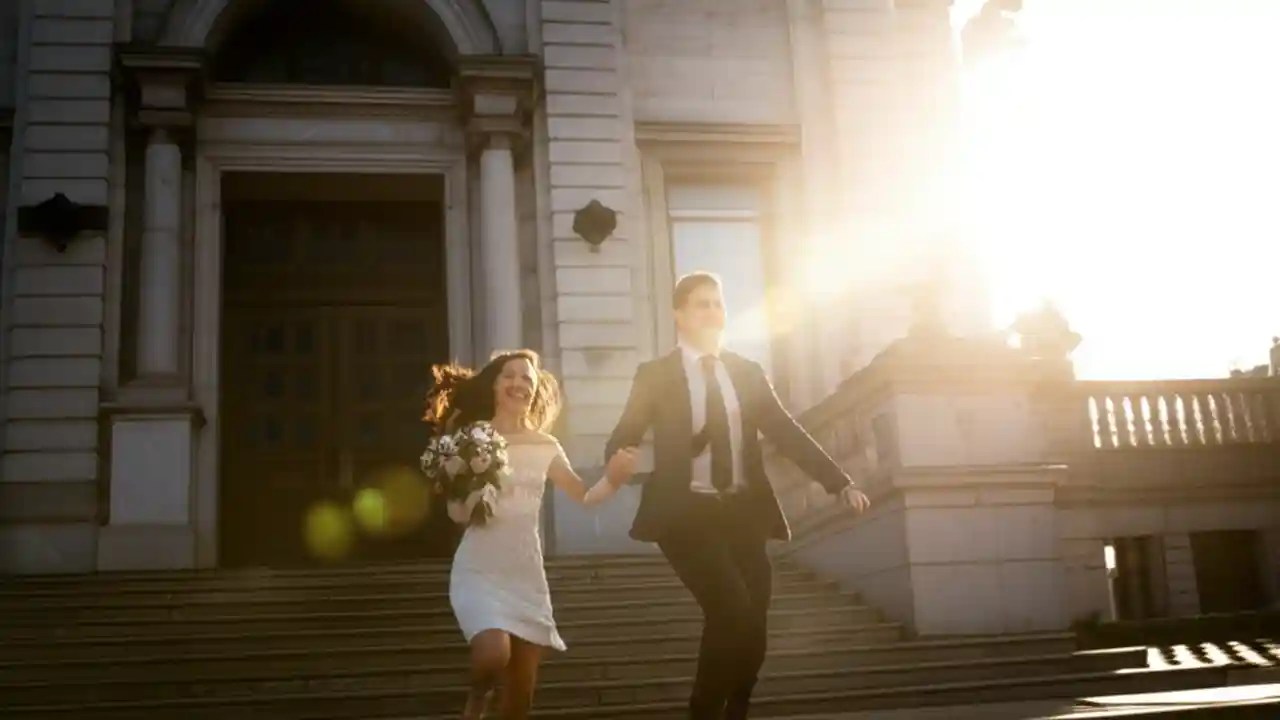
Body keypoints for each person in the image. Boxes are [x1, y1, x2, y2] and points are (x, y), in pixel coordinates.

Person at [606, 272, 870, 719]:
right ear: (679, 315)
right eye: (701, 304)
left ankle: (737, 707)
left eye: (717, 303)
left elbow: (785, 431)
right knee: (730, 609)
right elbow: (624, 434)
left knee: (754, 629)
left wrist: (839, 481)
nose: (712, 312)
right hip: (685, 516)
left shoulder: (746, 373)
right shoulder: (656, 375)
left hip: (742, 515)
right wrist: (617, 459)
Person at [424, 349, 640, 720]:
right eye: (510, 375)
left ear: (535, 391)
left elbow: (585, 496)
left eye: (528, 378)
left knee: (519, 703)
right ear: (494, 385)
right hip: (479, 570)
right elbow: (457, 514)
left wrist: (615, 478)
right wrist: (473, 485)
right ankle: (477, 698)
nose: (519, 384)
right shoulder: (471, 440)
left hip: (525, 575)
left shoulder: (545, 446)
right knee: (493, 654)